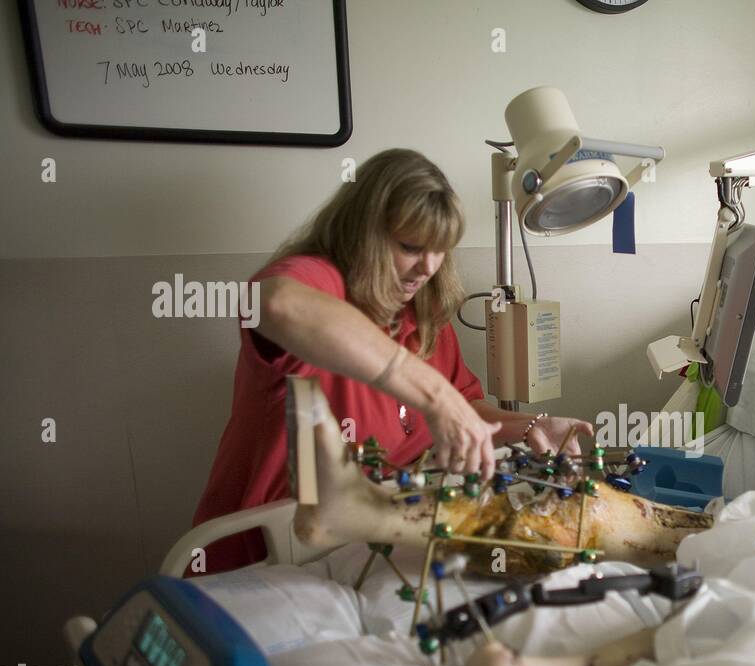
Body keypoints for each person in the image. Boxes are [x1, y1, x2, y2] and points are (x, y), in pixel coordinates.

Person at [191, 148, 593, 574]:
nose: (428, 267)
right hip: (268, 557)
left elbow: (465, 405)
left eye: (440, 250)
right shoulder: (321, 281)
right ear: (361, 234)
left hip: (362, 550)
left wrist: (529, 426)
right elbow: (276, 303)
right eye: (410, 247)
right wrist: (434, 396)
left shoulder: (421, 313)